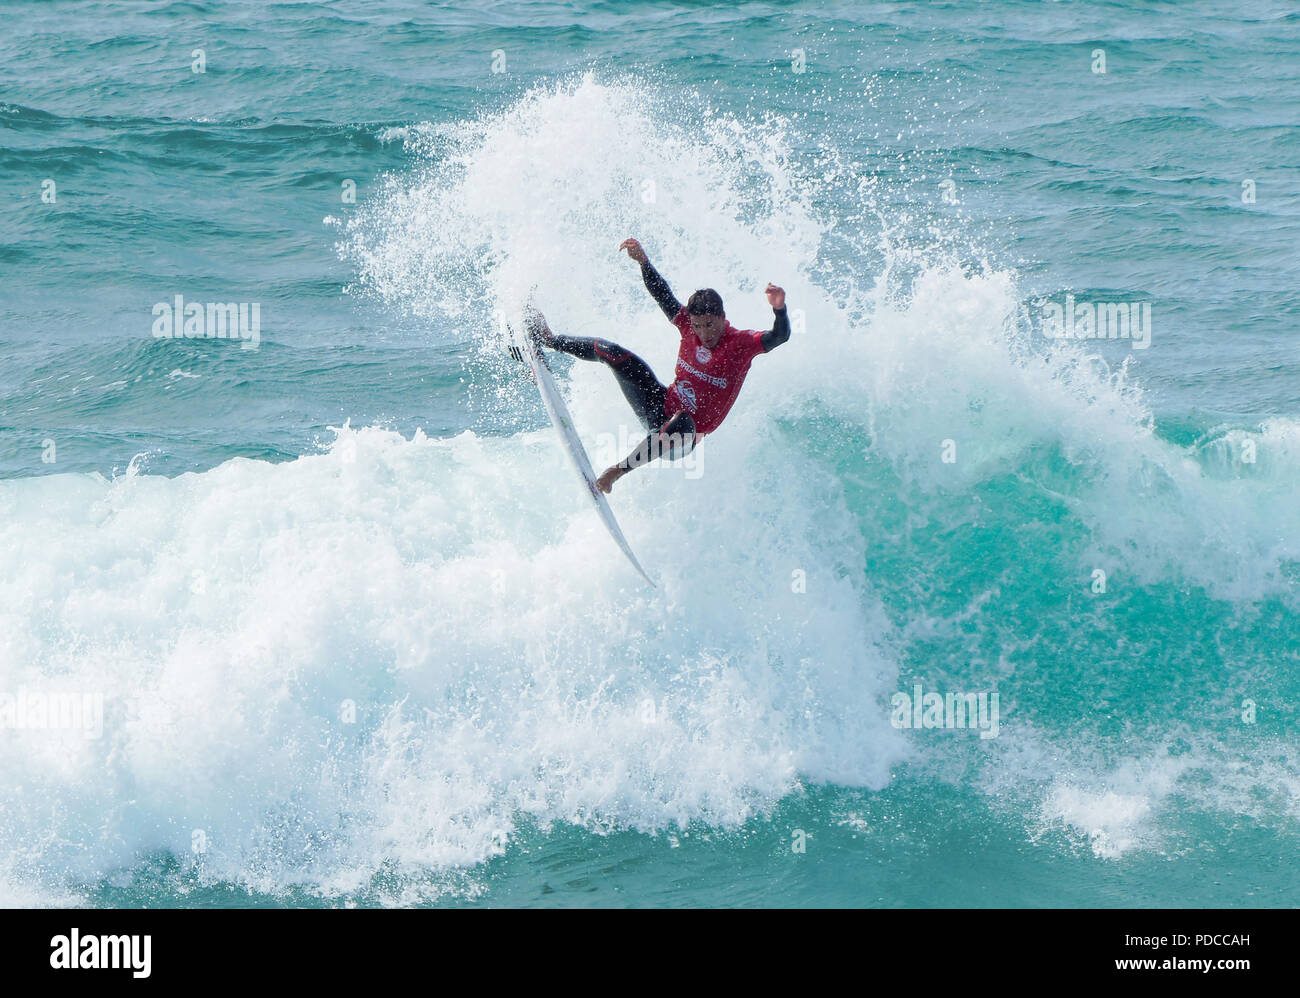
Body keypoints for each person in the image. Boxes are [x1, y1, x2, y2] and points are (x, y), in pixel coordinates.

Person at [522, 237, 790, 494]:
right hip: (658, 407)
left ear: (722, 317)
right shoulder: (688, 326)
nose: (704, 333)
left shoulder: (740, 344)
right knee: (612, 353)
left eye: (709, 324)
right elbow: (663, 295)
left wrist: (780, 309)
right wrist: (643, 262)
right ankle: (548, 339)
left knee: (683, 422)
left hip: (682, 438)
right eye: (698, 326)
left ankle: (617, 471)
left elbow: (779, 336)